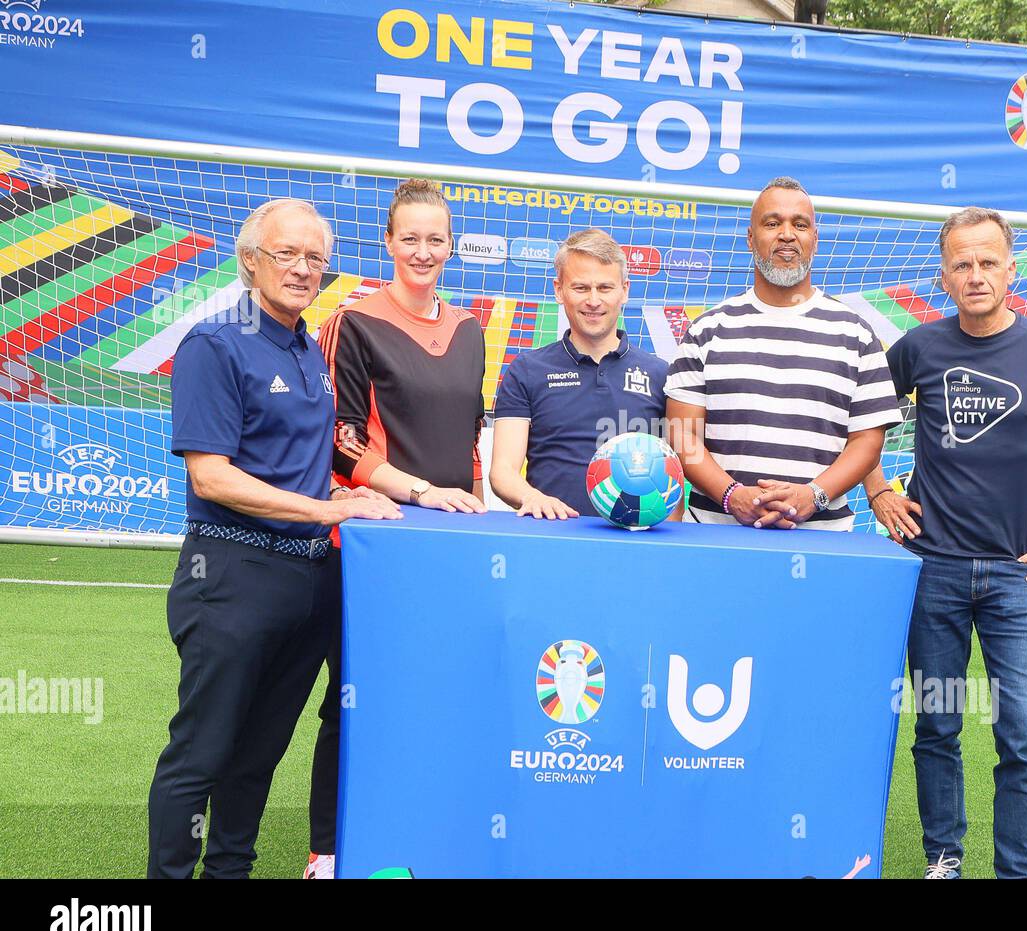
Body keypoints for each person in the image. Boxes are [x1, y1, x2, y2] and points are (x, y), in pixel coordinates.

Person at [147, 199, 401, 879]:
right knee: (202, 752)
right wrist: (323, 512)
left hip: (307, 581)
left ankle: (230, 872)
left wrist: (339, 498)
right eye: (286, 254)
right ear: (250, 259)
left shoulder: (304, 344)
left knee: (259, 756)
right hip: (234, 574)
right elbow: (213, 478)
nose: (302, 269)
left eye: (315, 257)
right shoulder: (214, 342)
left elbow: (298, 466)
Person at [864, 206, 1027, 879]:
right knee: (937, 727)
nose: (975, 275)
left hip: (1017, 577)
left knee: (1023, 733)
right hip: (932, 573)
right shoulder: (918, 348)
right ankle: (944, 860)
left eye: (987, 262)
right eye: (961, 264)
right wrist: (879, 491)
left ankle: (1017, 873)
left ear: (1010, 268)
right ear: (944, 276)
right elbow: (863, 424)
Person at [304, 179, 487, 879]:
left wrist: (464, 509)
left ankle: (419, 838)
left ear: (451, 245)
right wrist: (421, 494)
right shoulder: (352, 321)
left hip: (447, 546)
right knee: (351, 700)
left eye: (434, 238)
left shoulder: (470, 328)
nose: (421, 250)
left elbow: (470, 438)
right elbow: (341, 442)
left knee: (434, 698)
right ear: (387, 242)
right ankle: (327, 848)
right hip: (372, 544)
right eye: (408, 237)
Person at [665, 176, 902, 530]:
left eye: (800, 224)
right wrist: (732, 496)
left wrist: (814, 496)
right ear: (750, 238)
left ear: (815, 240)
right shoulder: (705, 331)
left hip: (823, 543)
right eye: (772, 223)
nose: (787, 234)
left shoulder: (856, 334)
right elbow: (682, 434)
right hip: (716, 539)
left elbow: (867, 441)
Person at [491, 229, 675, 520]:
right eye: (580, 288)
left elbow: (674, 472)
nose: (593, 301)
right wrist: (534, 499)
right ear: (558, 289)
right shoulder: (526, 370)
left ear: (624, 290)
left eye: (605, 288)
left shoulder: (660, 375)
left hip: (632, 542)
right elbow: (502, 471)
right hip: (551, 536)